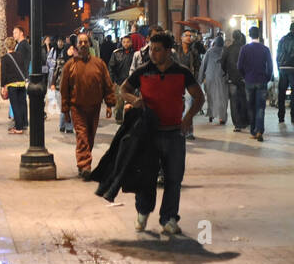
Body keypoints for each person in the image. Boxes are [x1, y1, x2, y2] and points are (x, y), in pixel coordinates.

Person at [119, 32, 204, 235]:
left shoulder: (182, 72)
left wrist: (188, 118)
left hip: (174, 134)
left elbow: (199, 97)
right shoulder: (143, 71)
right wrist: (134, 100)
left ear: (168, 51)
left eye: (157, 50)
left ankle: (169, 217)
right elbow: (123, 89)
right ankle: (142, 212)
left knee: (174, 179)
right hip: (149, 135)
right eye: (151, 49)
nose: (153, 54)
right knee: (146, 178)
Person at [61, 32, 116, 179]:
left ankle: (83, 162)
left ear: (90, 44)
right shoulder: (69, 66)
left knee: (90, 137)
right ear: (77, 45)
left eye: (86, 42)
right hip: (77, 107)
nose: (84, 44)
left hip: (95, 107)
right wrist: (65, 110)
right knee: (82, 136)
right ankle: (85, 165)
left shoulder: (99, 64)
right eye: (81, 42)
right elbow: (64, 89)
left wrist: (110, 104)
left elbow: (107, 84)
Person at [238, 25, 274, 141]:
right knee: (260, 107)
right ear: (259, 35)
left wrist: (245, 76)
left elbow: (239, 66)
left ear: (249, 35)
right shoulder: (265, 49)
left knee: (251, 106)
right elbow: (270, 66)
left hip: (249, 81)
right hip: (262, 80)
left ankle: (253, 130)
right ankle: (259, 130)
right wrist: (267, 78)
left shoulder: (244, 49)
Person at [1, 34, 28, 134]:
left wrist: (3, 87)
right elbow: (24, 68)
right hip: (21, 83)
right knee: (22, 104)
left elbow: (4, 74)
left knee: (15, 105)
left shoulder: (5, 58)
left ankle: (18, 128)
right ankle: (24, 123)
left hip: (12, 85)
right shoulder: (20, 56)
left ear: (6, 46)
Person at [222, 30, 248, 132]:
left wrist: (226, 72)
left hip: (232, 78)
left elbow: (222, 63)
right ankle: (244, 121)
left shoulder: (228, 49)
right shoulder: (244, 48)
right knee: (244, 99)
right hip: (243, 78)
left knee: (233, 101)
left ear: (233, 37)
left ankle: (237, 124)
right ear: (241, 37)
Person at [275, 23, 294, 124]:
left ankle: (281, 117)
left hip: (282, 68)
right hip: (292, 68)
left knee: (282, 92)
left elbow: (278, 54)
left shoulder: (282, 39)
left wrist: (279, 67)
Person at [201, 31, 228, 124]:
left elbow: (203, 65)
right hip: (222, 77)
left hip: (210, 77)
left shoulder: (209, 51)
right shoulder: (225, 51)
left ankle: (211, 114)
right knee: (222, 98)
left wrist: (199, 79)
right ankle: (222, 117)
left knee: (210, 96)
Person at [108, 36, 135, 124]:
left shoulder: (135, 53)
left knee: (130, 103)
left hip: (131, 82)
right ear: (121, 43)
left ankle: (129, 120)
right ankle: (119, 120)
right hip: (119, 82)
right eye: (124, 42)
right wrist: (113, 81)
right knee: (119, 104)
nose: (126, 44)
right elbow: (111, 68)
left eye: (128, 42)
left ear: (131, 42)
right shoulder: (116, 53)